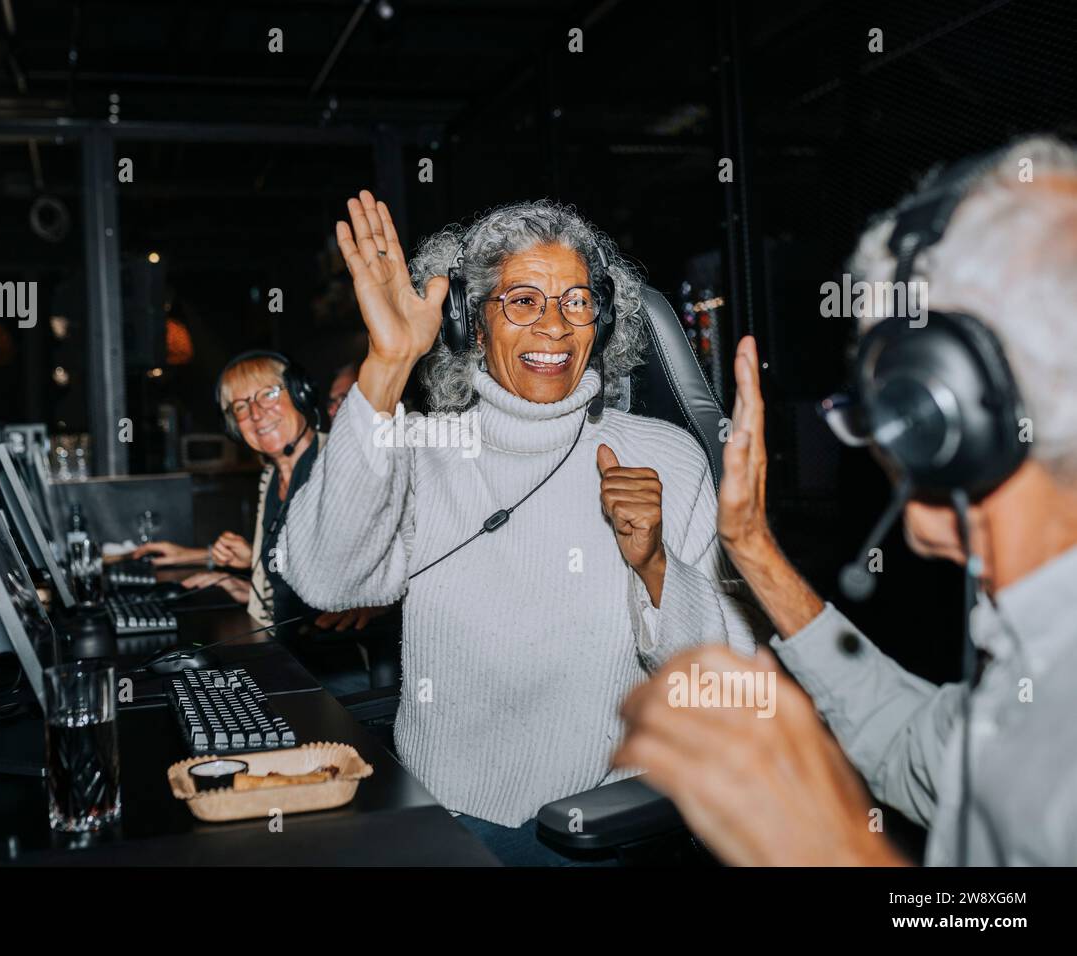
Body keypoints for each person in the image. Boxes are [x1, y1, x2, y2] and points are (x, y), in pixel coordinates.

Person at [615, 136, 1077, 865]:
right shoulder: (1034, 656)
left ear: (938, 413)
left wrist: (834, 851)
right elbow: (907, 742)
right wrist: (753, 548)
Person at [278, 190, 760, 864]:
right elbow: (327, 580)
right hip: (440, 818)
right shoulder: (418, 449)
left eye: (576, 301)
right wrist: (385, 368)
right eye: (523, 301)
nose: (555, 328)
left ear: (603, 319)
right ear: (473, 327)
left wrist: (655, 567)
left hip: (594, 828)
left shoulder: (668, 457)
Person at [134, 351, 391, 694]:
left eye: (268, 394)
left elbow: (417, 541)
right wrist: (236, 580)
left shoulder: (342, 461)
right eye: (240, 406)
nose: (256, 413)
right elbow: (283, 568)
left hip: (345, 665)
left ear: (300, 394)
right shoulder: (271, 478)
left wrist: (384, 599)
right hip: (287, 652)